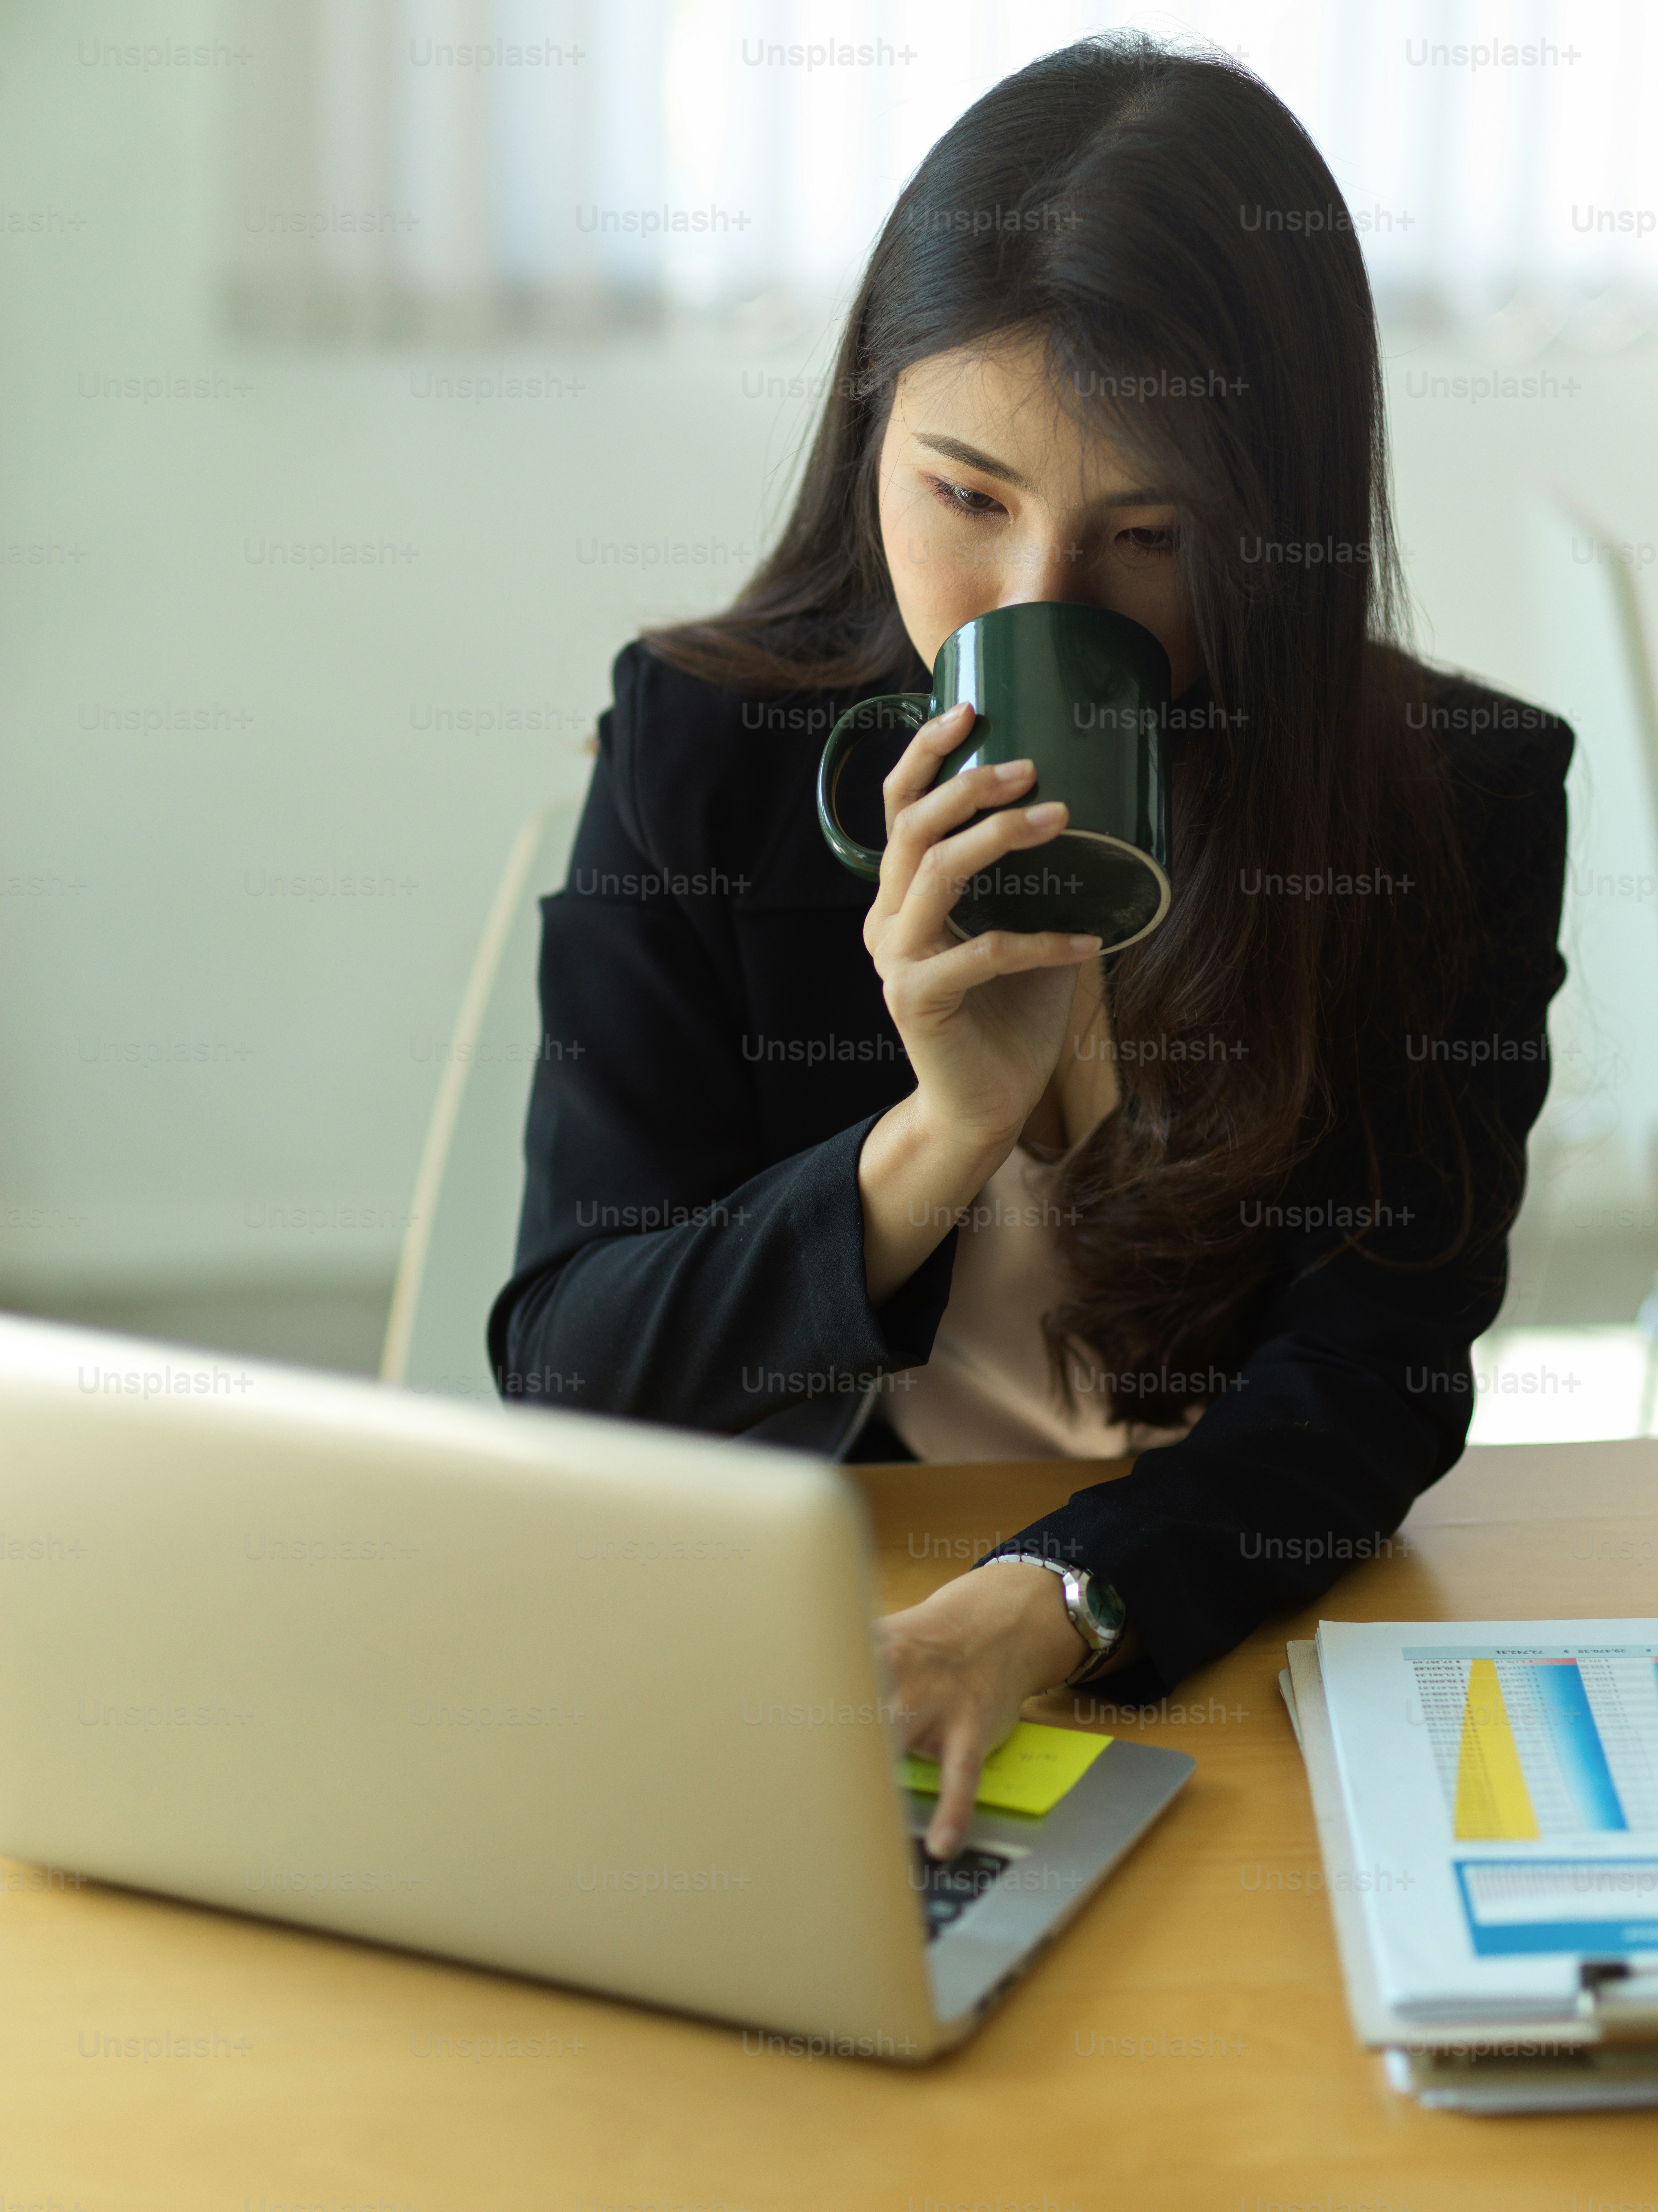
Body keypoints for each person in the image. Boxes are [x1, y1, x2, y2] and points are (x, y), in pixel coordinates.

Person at [488, 36, 1570, 1859]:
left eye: (1151, 536)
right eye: (967, 498)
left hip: (1224, 1627)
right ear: (868, 440)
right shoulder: (693, 749)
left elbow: (1379, 1375)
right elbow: (575, 1370)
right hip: (809, 1614)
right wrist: (933, 1139)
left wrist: (1062, 1594)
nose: (1037, 609)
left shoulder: (1448, 805)